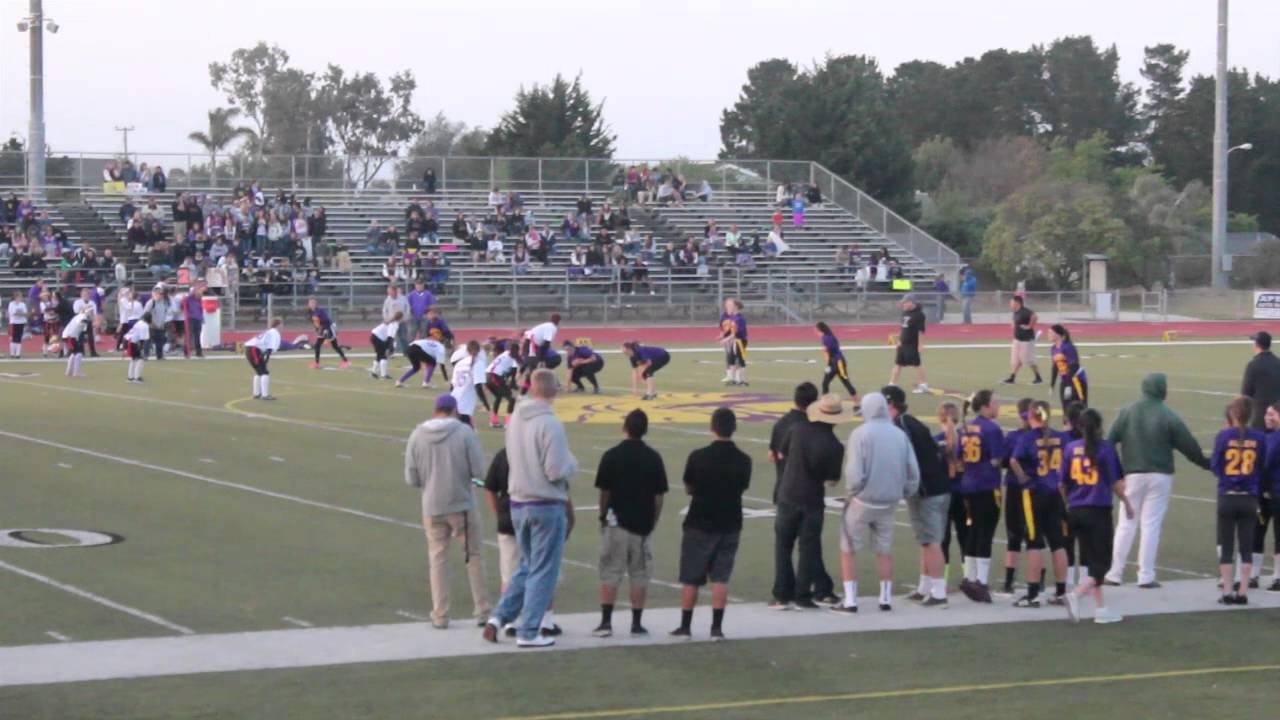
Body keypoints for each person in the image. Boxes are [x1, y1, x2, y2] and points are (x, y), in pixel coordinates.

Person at [483, 370, 578, 648]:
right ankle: (529, 630)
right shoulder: (550, 423)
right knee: (543, 570)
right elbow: (556, 470)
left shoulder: (515, 420)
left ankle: (499, 618)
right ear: (555, 391)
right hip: (545, 502)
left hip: (518, 501)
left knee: (526, 567)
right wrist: (573, 464)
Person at [1102, 374, 1210, 588]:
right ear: (1161, 389)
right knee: (1151, 526)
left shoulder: (1127, 412)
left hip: (1132, 474)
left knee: (1126, 524)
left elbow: (1108, 443)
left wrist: (1116, 473)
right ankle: (1146, 575)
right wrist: (1206, 463)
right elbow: (1189, 446)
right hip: (1160, 475)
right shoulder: (1168, 415)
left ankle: (1114, 573)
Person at [405, 394, 490, 629]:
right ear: (453, 410)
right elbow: (480, 471)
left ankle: (441, 614)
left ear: (435, 410)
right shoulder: (464, 433)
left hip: (432, 505)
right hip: (461, 503)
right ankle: (482, 609)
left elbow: (411, 477)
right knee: (473, 556)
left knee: (438, 559)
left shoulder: (417, 435)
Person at [831, 392, 920, 613]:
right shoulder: (900, 435)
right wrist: (905, 491)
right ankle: (885, 598)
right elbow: (913, 471)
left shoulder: (860, 434)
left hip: (863, 500)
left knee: (848, 548)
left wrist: (852, 492)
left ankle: (851, 600)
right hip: (890, 501)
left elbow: (854, 473)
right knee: (884, 550)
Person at [671, 408, 751, 641]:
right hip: (730, 522)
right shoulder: (743, 460)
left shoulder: (698, 456)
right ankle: (716, 628)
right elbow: (742, 487)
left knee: (691, 576)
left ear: (712, 427)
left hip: (700, 521)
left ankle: (685, 626)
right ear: (733, 428)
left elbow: (689, 487)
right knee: (720, 578)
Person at [592, 409, 669, 637]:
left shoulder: (612, 455)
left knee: (610, 571)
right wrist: (652, 521)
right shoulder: (653, 457)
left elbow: (604, 492)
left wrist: (603, 515)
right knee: (639, 574)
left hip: (616, 522)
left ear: (624, 427)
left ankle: (606, 622)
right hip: (642, 524)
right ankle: (636, 623)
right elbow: (659, 497)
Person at [770, 394, 850, 610]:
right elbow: (832, 480)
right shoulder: (835, 446)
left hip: (788, 493)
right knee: (809, 548)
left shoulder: (797, 429)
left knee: (783, 546)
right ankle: (802, 596)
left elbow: (781, 452)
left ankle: (781, 594)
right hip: (813, 499)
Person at [1062, 409, 1133, 625]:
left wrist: (1068, 505)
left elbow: (1062, 483)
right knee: (1102, 563)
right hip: (1097, 510)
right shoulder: (1105, 449)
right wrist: (1127, 503)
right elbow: (1115, 482)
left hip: (1076, 509)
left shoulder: (1070, 448)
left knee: (1091, 560)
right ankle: (1077, 594)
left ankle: (1101, 609)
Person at [884, 385, 950, 608]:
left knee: (931, 541)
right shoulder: (908, 421)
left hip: (927, 490)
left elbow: (906, 458)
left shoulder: (901, 425)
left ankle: (939, 592)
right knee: (925, 540)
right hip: (931, 488)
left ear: (890, 404)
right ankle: (925, 587)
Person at [1008, 401, 1073, 607]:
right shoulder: (1060, 437)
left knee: (1034, 543)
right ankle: (1062, 591)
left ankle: (1033, 594)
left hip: (1035, 493)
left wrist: (1023, 479)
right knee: (1058, 543)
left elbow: (1013, 461)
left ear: (1031, 416)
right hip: (1055, 493)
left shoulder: (1027, 437)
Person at [1210, 397, 1267, 606]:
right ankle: (1243, 591)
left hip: (1227, 496)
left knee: (1226, 546)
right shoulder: (1260, 437)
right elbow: (1261, 465)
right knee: (1246, 546)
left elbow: (1215, 465)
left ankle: (1226, 591)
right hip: (1249, 498)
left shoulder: (1224, 435)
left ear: (1233, 414)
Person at [957, 390, 1004, 603]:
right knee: (985, 532)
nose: (998, 406)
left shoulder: (965, 427)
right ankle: (981, 581)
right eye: (995, 402)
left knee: (973, 530)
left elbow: (958, 458)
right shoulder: (992, 429)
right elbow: (996, 460)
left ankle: (969, 577)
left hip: (968, 484)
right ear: (985, 406)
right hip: (987, 485)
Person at [997, 398, 1035, 597]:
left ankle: (1009, 582)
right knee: (1035, 538)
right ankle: (1036, 582)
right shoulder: (1046, 436)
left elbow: (1004, 461)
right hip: (1038, 490)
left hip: (1015, 488)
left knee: (1014, 536)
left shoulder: (1013, 437)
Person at [768, 382, 820, 503]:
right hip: (807, 494)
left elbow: (771, 455)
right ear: (814, 402)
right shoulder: (815, 426)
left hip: (783, 490)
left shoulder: (780, 424)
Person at [935, 402, 967, 579]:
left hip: (943, 493)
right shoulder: (967, 439)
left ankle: (942, 581)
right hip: (964, 493)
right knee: (965, 538)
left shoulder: (936, 440)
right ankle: (968, 579)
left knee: (942, 541)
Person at [889, 295, 929, 394]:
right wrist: (899, 339)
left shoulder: (919, 315)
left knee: (916, 364)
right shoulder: (904, 312)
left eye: (905, 302)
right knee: (898, 363)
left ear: (911, 302)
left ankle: (923, 385)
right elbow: (903, 328)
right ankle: (892, 384)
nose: (903, 304)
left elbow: (921, 331)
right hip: (903, 343)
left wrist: (920, 344)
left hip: (912, 344)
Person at [1242, 331, 1280, 430]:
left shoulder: (1253, 364)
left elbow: (1246, 393)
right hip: (1278, 413)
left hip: (1260, 416)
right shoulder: (1278, 362)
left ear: (1256, 344)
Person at [1002, 295, 1042, 385]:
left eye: (1011, 302)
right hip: (1017, 340)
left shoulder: (1025, 311)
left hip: (1026, 340)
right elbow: (1015, 320)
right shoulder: (1015, 312)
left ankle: (1038, 378)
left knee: (1028, 360)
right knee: (1015, 360)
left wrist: (1030, 326)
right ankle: (1012, 378)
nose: (1010, 304)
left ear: (1017, 302)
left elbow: (1035, 316)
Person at [816, 321, 858, 402]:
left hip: (838, 363)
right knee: (825, 383)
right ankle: (826, 402)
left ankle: (857, 402)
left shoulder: (826, 338)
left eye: (816, 330)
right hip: (832, 363)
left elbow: (830, 350)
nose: (816, 332)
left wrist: (825, 350)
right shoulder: (828, 336)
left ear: (820, 330)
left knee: (844, 382)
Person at [1050, 324, 1088, 412]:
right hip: (1065, 380)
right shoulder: (1053, 349)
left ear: (1057, 334)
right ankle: (1067, 424)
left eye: (1051, 332)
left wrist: (1069, 385)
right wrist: (1052, 385)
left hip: (1076, 380)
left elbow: (1074, 366)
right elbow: (1055, 366)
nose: (1048, 335)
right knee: (1065, 407)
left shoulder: (1068, 347)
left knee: (1080, 407)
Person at [244, 318, 282, 400]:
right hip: (254, 349)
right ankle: (265, 395)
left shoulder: (269, 331)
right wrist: (266, 360)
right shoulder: (274, 333)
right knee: (264, 372)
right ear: (278, 325)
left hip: (250, 348)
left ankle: (256, 393)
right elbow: (270, 348)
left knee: (259, 371)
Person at [307, 297, 350, 369]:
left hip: (329, 328)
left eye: (313, 303)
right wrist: (317, 329)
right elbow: (315, 322)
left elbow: (326, 322)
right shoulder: (310, 312)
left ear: (316, 304)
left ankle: (346, 361)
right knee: (317, 345)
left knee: (335, 346)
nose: (312, 304)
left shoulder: (320, 311)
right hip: (322, 328)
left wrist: (326, 337)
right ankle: (317, 363)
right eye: (310, 303)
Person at [485, 344, 520, 429]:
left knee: (499, 396)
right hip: (494, 376)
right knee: (511, 398)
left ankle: (494, 420)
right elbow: (514, 371)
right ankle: (508, 423)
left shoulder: (504, 354)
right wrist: (513, 383)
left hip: (486, 376)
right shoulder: (513, 356)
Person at [717, 298, 748, 387]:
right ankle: (733, 379)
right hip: (735, 340)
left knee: (741, 360)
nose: (729, 307)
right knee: (732, 359)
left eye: (731, 305)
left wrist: (725, 339)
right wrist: (723, 336)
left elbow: (735, 333)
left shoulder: (739, 318)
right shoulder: (732, 318)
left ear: (736, 307)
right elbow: (729, 330)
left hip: (740, 341)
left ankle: (744, 381)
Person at [450, 340, 482, 426]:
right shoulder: (478, 362)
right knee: (466, 428)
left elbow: (452, 385)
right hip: (465, 401)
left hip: (456, 397)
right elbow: (478, 386)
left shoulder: (459, 363)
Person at [369, 312, 402, 380]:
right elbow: (390, 337)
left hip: (374, 336)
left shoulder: (391, 320)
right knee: (383, 356)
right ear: (401, 318)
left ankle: (374, 372)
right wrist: (390, 347)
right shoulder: (394, 324)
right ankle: (383, 375)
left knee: (379, 355)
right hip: (378, 338)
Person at [61, 307, 92, 378]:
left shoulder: (79, 316)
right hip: (70, 336)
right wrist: (89, 322)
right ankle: (76, 372)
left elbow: (83, 330)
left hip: (69, 336)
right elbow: (81, 322)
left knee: (74, 353)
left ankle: (69, 371)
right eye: (90, 311)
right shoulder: (82, 316)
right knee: (78, 353)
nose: (91, 313)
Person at [124, 312, 151, 383]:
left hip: (128, 340)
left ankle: (130, 377)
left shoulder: (139, 322)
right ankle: (137, 377)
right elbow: (144, 339)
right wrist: (144, 351)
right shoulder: (145, 325)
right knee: (140, 359)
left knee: (133, 359)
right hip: (134, 342)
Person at [7, 290, 28, 358]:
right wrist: (19, 312)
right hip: (13, 322)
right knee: (13, 338)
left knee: (19, 338)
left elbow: (25, 313)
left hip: (21, 322)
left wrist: (20, 313)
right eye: (19, 296)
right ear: (16, 297)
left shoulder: (23, 304)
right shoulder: (11, 304)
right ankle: (12, 353)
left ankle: (18, 354)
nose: (20, 298)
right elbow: (12, 312)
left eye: (21, 297)